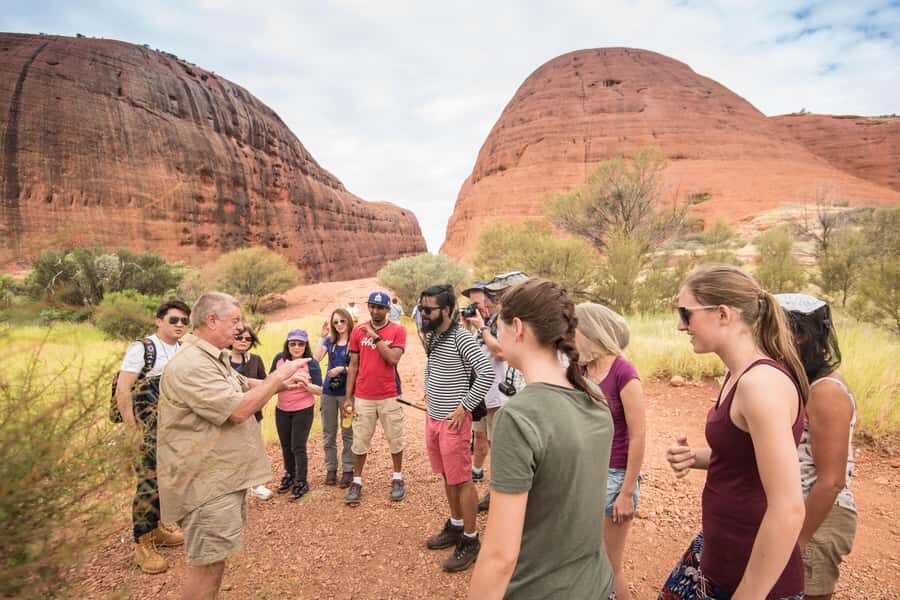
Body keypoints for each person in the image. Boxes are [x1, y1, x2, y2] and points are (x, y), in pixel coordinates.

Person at [662, 265, 809, 600]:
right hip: (720, 558)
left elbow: (789, 507)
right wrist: (697, 457)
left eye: (686, 313)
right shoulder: (737, 375)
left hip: (752, 577)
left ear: (723, 313)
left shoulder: (760, 385)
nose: (680, 325)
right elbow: (750, 457)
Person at [468, 278, 616, 599]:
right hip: (597, 586)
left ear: (517, 327)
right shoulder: (594, 395)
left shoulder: (519, 417)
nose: (497, 334)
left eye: (500, 326)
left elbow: (500, 557)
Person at [158, 292, 307, 599]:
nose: (241, 328)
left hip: (220, 478)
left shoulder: (212, 356)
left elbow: (239, 384)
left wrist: (280, 384)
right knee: (207, 567)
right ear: (211, 320)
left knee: (215, 561)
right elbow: (238, 410)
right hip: (205, 485)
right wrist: (278, 377)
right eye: (235, 320)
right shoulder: (192, 365)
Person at [777, 294, 857, 600]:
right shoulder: (801, 383)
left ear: (799, 336)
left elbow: (831, 480)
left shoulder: (826, 392)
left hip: (819, 515)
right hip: (797, 510)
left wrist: (798, 540)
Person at [419, 284, 494, 572]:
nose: (424, 314)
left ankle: (471, 539)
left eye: (429, 309)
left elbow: (486, 373)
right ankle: (456, 525)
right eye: (422, 308)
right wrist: (428, 390)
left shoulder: (462, 338)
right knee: (447, 477)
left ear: (446, 310)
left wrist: (464, 407)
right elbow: (432, 367)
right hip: (433, 418)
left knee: (461, 480)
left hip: (454, 423)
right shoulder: (433, 336)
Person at [115, 299, 191, 574]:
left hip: (173, 428)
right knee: (148, 482)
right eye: (174, 320)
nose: (180, 325)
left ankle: (157, 530)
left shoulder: (183, 349)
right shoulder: (143, 348)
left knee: (165, 480)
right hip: (147, 429)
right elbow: (123, 389)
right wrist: (132, 430)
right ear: (159, 321)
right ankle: (142, 544)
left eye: (184, 320)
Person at [576, 303, 646, 600]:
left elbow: (638, 434)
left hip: (615, 478)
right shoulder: (580, 369)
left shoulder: (623, 371)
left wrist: (627, 492)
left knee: (608, 566)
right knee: (588, 561)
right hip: (587, 475)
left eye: (573, 329)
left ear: (590, 332)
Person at [463, 271, 529, 513]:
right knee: (492, 443)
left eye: (487, 299)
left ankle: (501, 495)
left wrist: (481, 329)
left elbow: (501, 353)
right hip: (488, 395)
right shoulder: (491, 323)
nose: (485, 304)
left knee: (503, 446)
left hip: (505, 395)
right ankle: (496, 490)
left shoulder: (507, 323)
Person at [343, 291, 407, 506]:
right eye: (372, 306)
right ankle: (357, 481)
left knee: (395, 438)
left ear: (388, 309)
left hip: (390, 394)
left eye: (380, 307)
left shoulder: (398, 330)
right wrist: (348, 397)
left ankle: (397, 478)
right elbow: (353, 365)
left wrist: (375, 336)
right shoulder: (357, 331)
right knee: (360, 441)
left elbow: (392, 359)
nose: (375, 310)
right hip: (363, 395)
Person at [270, 329, 323, 500]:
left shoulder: (311, 362)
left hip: (303, 409)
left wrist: (306, 384)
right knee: (285, 446)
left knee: (297, 447)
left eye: (301, 344)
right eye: (293, 343)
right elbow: (270, 382)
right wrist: (286, 382)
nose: (296, 347)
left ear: (305, 345)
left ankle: (301, 481)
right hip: (282, 409)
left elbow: (321, 389)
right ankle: (290, 475)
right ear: (288, 344)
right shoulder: (279, 359)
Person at [229, 325, 273, 501]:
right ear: (231, 339)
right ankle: (237, 486)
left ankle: (256, 485)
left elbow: (265, 382)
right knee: (232, 450)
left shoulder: (256, 359)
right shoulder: (224, 360)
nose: (243, 341)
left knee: (255, 447)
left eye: (248, 339)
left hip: (254, 412)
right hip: (232, 412)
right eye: (239, 338)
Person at [314, 308, 356, 488]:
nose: (339, 325)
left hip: (347, 394)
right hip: (328, 393)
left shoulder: (355, 342)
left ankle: (348, 469)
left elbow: (359, 367)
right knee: (328, 433)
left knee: (348, 432)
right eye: (335, 322)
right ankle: (331, 469)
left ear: (348, 321)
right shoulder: (329, 341)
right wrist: (320, 336)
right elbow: (315, 359)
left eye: (342, 321)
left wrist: (342, 369)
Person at [461, 281, 490, 482]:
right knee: (479, 435)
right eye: (472, 304)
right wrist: (466, 327)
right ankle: (477, 469)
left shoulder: (498, 324)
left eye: (477, 304)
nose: (475, 308)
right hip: (478, 391)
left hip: (499, 392)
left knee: (498, 438)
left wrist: (482, 326)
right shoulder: (472, 330)